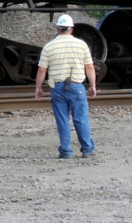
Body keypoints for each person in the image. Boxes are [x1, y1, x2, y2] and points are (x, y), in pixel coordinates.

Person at [34, 14, 97, 158]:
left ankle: (66, 151)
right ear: (72, 29)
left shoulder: (49, 46)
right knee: (81, 119)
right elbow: (89, 67)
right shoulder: (82, 45)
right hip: (76, 86)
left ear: (57, 28)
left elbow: (42, 70)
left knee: (62, 120)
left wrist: (38, 88)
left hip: (57, 88)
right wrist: (93, 85)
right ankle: (87, 149)